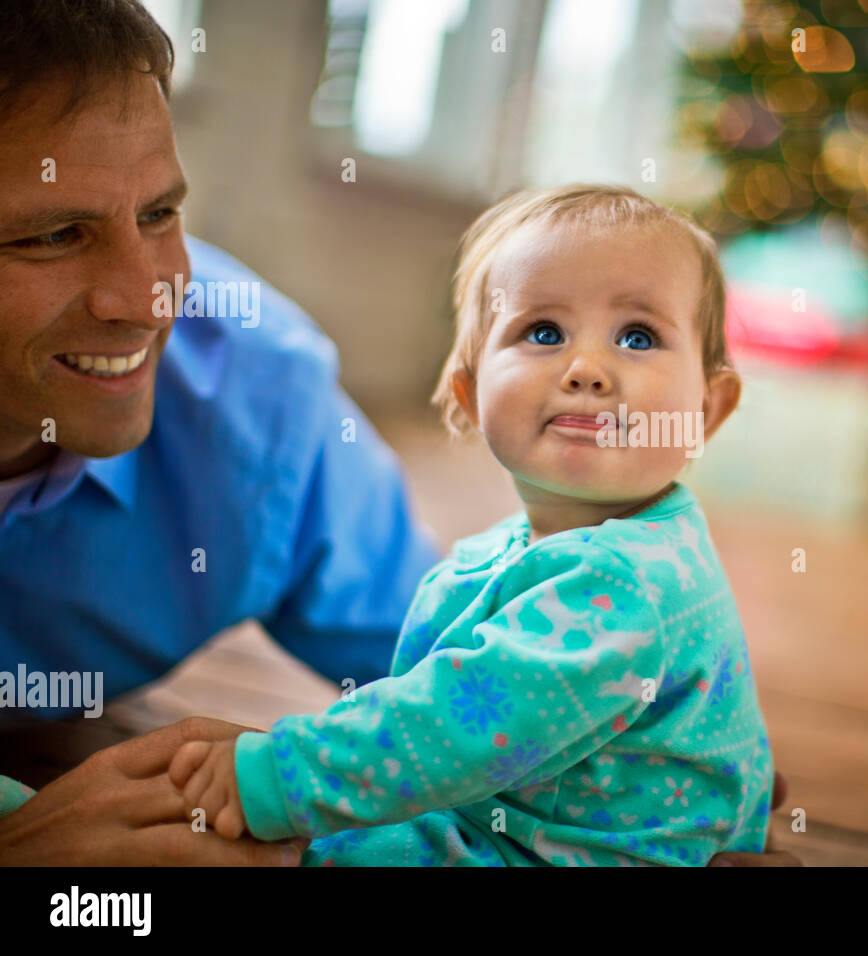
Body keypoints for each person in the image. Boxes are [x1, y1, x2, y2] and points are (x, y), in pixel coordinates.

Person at [0, 0, 798, 866]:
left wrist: (655, 760)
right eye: (53, 235)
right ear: (465, 389)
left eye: (159, 215)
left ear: (713, 407)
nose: (149, 297)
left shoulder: (259, 408)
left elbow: (454, 703)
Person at [170, 186, 772, 865]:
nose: (586, 370)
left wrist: (283, 776)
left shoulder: (623, 581)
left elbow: (454, 725)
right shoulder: (582, 545)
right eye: (543, 332)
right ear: (470, 391)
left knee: (256, 842)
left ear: (709, 408)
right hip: (511, 823)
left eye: (638, 336)